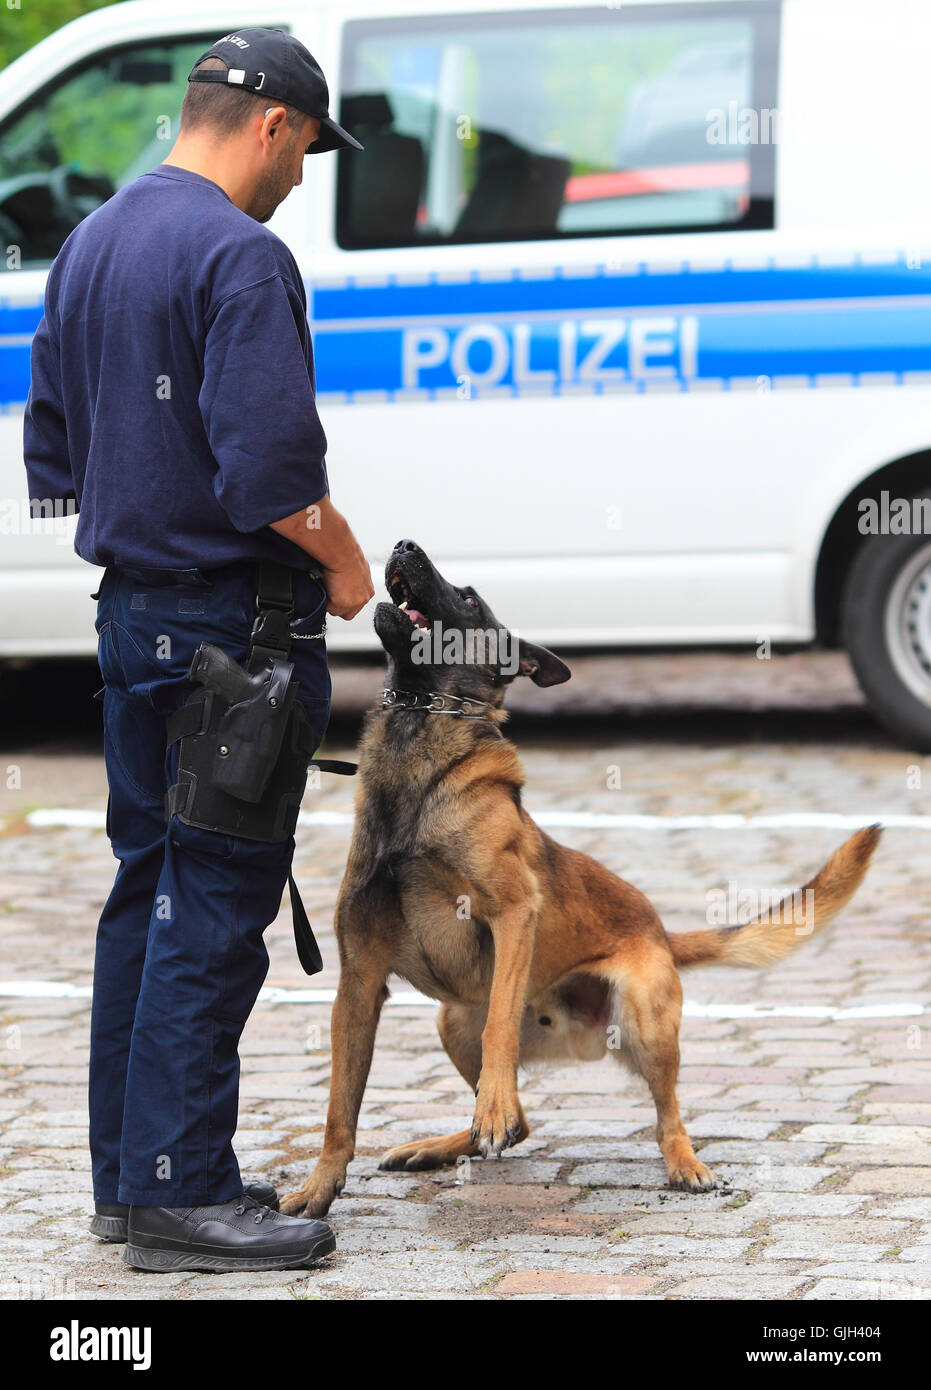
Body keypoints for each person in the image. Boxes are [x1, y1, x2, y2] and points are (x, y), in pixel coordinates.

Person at [22, 28, 374, 1274]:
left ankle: (131, 1178)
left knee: (145, 892)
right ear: (271, 125)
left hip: (131, 619)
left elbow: (54, 448)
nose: (300, 179)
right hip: (232, 636)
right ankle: (181, 1191)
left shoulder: (93, 241)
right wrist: (341, 558)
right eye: (306, 153)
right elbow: (270, 471)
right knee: (211, 910)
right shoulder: (240, 253)